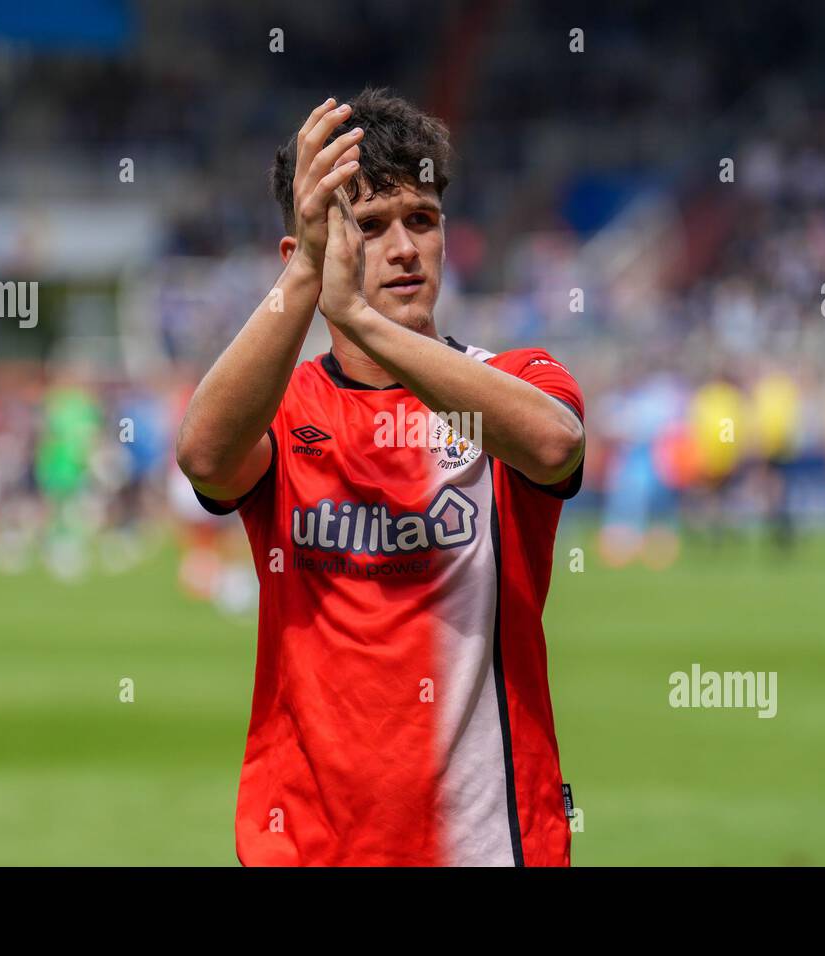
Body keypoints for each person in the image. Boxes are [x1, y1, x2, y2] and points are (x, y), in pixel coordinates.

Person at [176, 89, 585, 866]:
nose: (404, 249)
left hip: (488, 843)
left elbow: (554, 442)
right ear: (303, 249)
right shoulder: (284, 408)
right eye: (369, 226)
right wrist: (306, 286)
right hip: (305, 847)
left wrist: (361, 319)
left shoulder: (516, 378)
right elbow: (205, 458)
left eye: (422, 220)